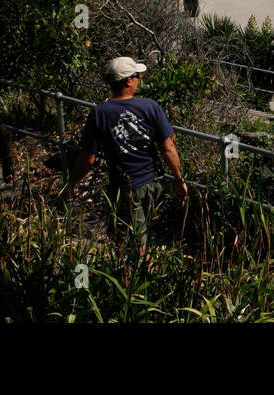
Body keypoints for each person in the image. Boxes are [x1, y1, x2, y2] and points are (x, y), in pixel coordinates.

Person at [60, 57, 186, 250]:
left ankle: (137, 274)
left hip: (123, 189)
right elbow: (168, 147)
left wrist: (71, 184)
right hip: (153, 183)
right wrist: (179, 179)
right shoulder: (150, 106)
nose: (139, 80)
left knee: (130, 241)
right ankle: (148, 273)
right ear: (128, 81)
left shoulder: (99, 113)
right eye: (138, 76)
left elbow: (89, 158)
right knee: (146, 242)